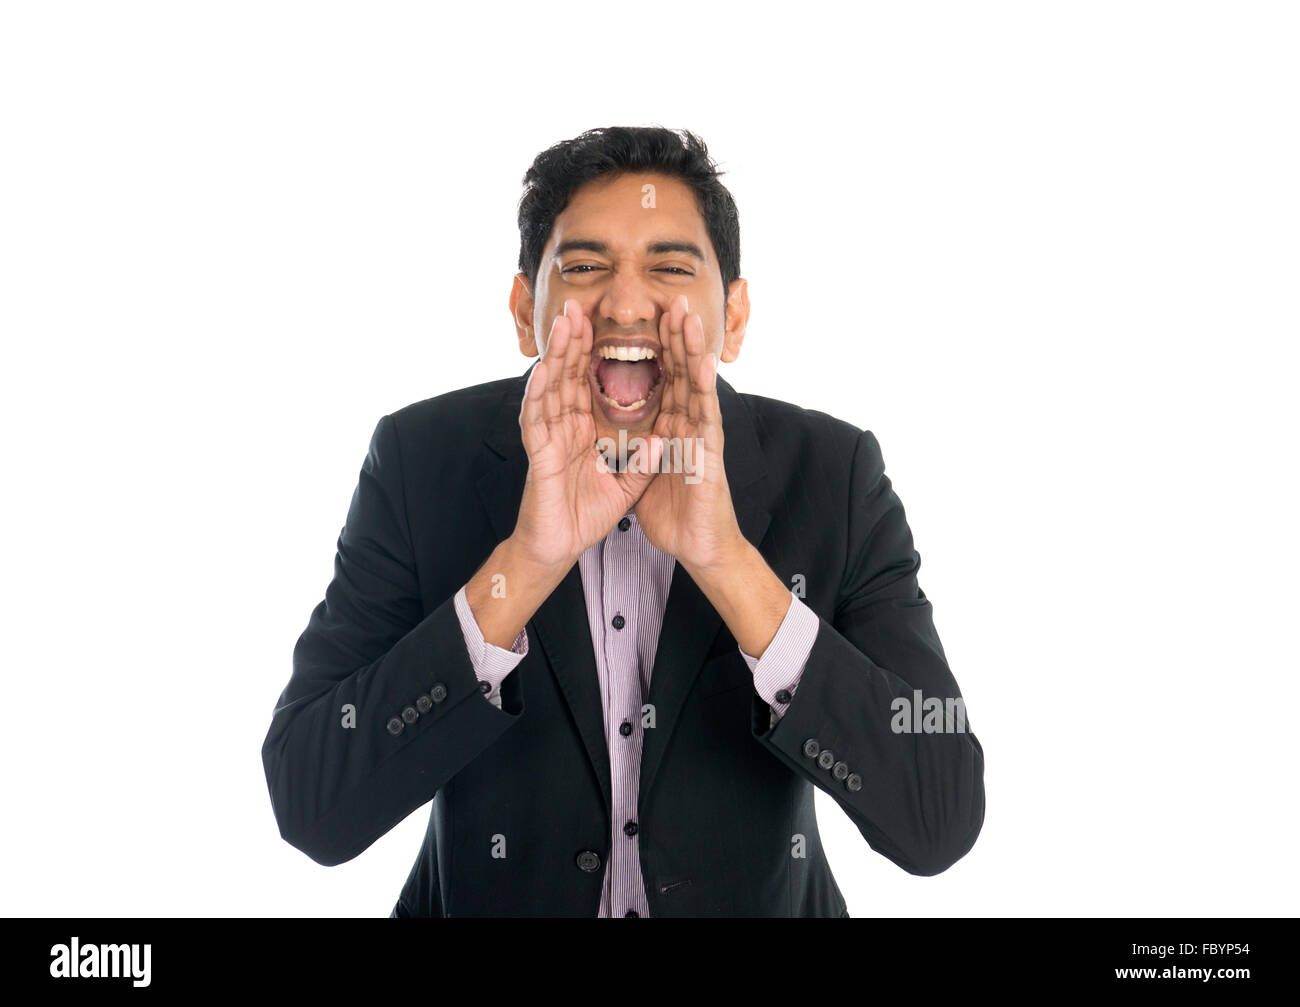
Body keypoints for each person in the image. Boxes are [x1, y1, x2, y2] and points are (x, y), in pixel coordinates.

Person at [261, 126, 985, 917]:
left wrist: (731, 565)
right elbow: (311, 801)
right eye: (584, 266)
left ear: (734, 318)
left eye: (670, 267)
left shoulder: (835, 473)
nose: (627, 302)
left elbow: (938, 816)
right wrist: (526, 562)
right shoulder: (417, 460)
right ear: (523, 312)